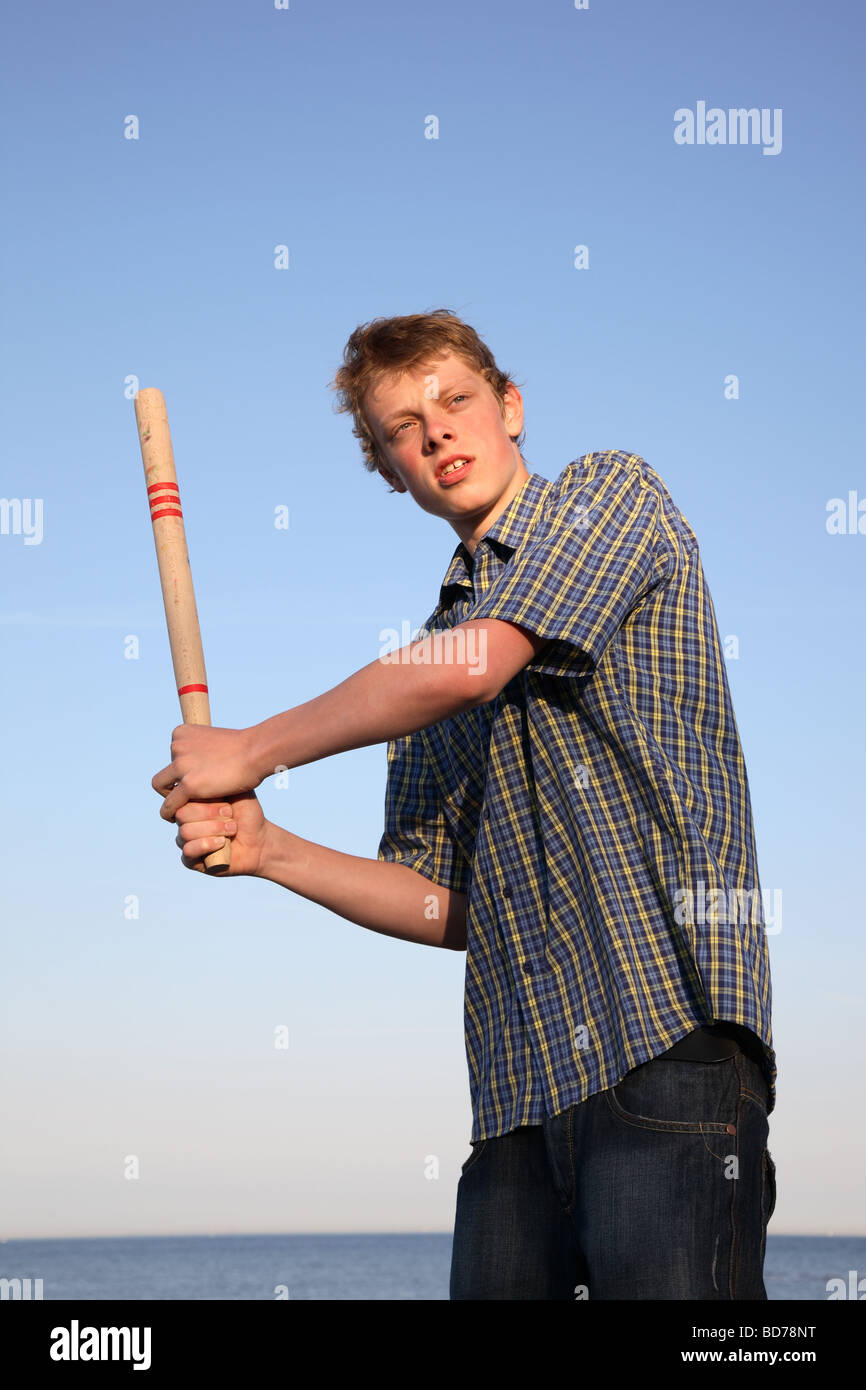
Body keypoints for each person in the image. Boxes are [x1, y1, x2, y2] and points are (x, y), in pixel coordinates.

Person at [152, 309, 777, 1300]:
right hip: (513, 1110)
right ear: (391, 472)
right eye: (402, 426)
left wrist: (252, 749)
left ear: (509, 406)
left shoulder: (606, 492)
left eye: (454, 400)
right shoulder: (423, 660)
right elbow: (446, 905)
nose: (435, 431)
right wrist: (269, 847)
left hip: (666, 1056)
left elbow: (478, 661)